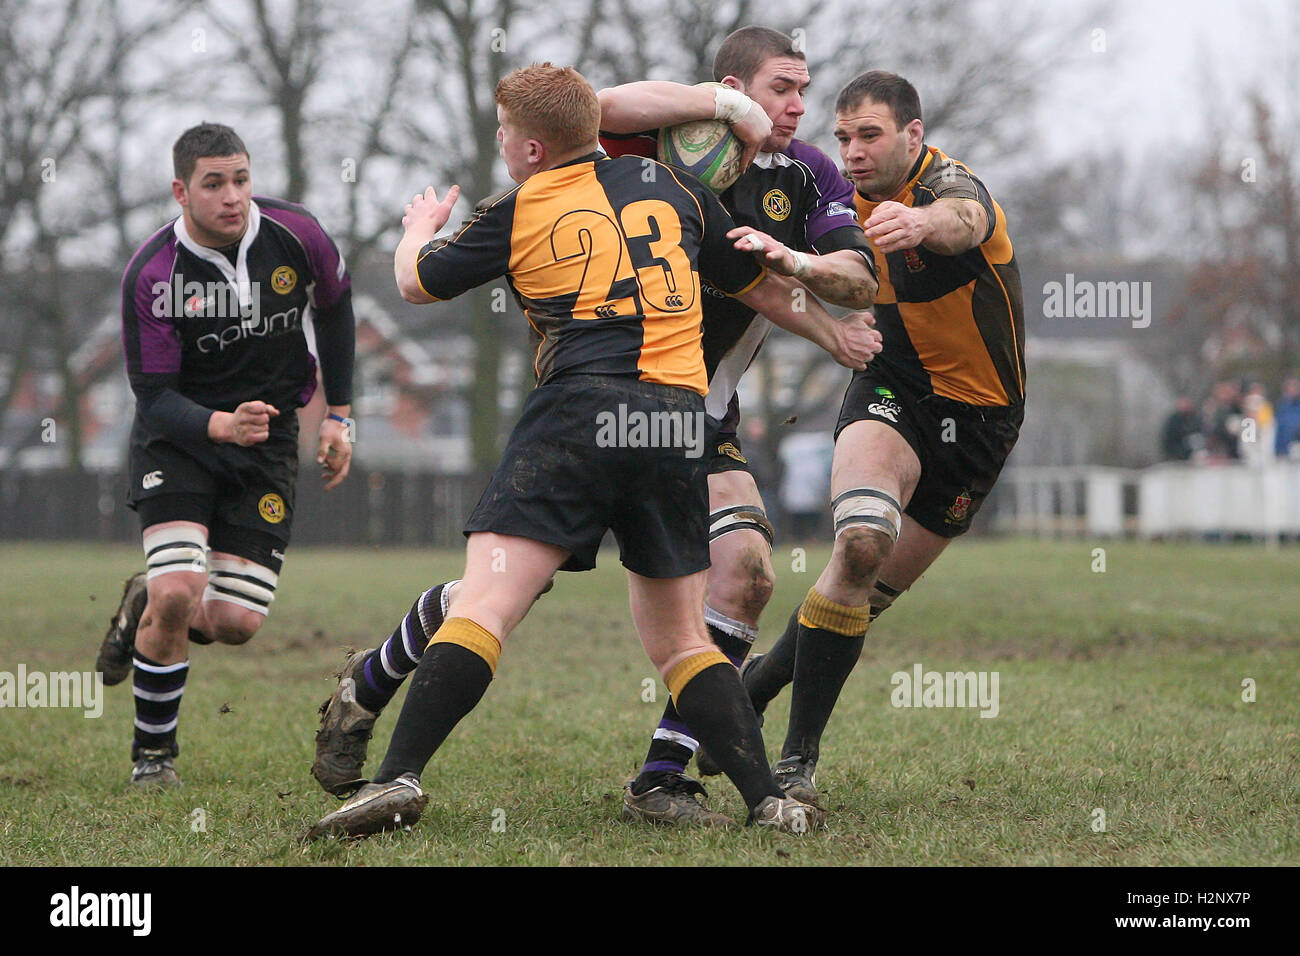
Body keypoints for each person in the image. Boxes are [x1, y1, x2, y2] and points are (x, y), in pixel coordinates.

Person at [308, 31, 879, 824]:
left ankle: (399, 776)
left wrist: (418, 225)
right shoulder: (675, 190)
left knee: (486, 607)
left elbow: (413, 284)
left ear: (530, 147)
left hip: (578, 416)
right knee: (682, 643)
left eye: (504, 134)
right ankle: (771, 802)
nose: (500, 145)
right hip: (674, 425)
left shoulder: (518, 206)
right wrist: (830, 329)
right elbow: (759, 286)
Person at [594, 25, 880, 826]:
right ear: (732, 87)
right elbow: (592, 104)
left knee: (750, 573)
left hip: (704, 420)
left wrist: (803, 268)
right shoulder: (659, 143)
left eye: (803, 87)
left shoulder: (808, 174)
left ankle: (662, 777)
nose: (798, 105)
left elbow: (855, 281)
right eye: (780, 88)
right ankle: (373, 688)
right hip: (596, 410)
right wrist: (718, 108)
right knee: (504, 589)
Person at [736, 71, 1026, 807]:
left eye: (870, 135)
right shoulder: (830, 193)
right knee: (860, 545)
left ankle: (752, 690)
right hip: (893, 387)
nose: (854, 151)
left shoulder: (951, 185)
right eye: (843, 137)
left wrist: (922, 224)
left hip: (983, 420)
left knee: (864, 596)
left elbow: (965, 219)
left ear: (914, 135)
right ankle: (796, 765)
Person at [98, 123, 356, 786]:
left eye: (240, 178)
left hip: (267, 446)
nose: (233, 196)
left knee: (236, 621)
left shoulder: (298, 236)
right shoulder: (152, 272)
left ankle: (145, 607)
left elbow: (335, 309)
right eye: (214, 183)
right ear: (181, 190)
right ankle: (153, 760)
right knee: (181, 589)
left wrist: (340, 415)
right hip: (178, 442)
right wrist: (218, 424)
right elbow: (152, 397)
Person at [1160, 396, 1202, 461]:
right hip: (1176, 454)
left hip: (1192, 455)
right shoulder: (1173, 421)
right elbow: (1169, 439)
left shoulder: (1194, 418)